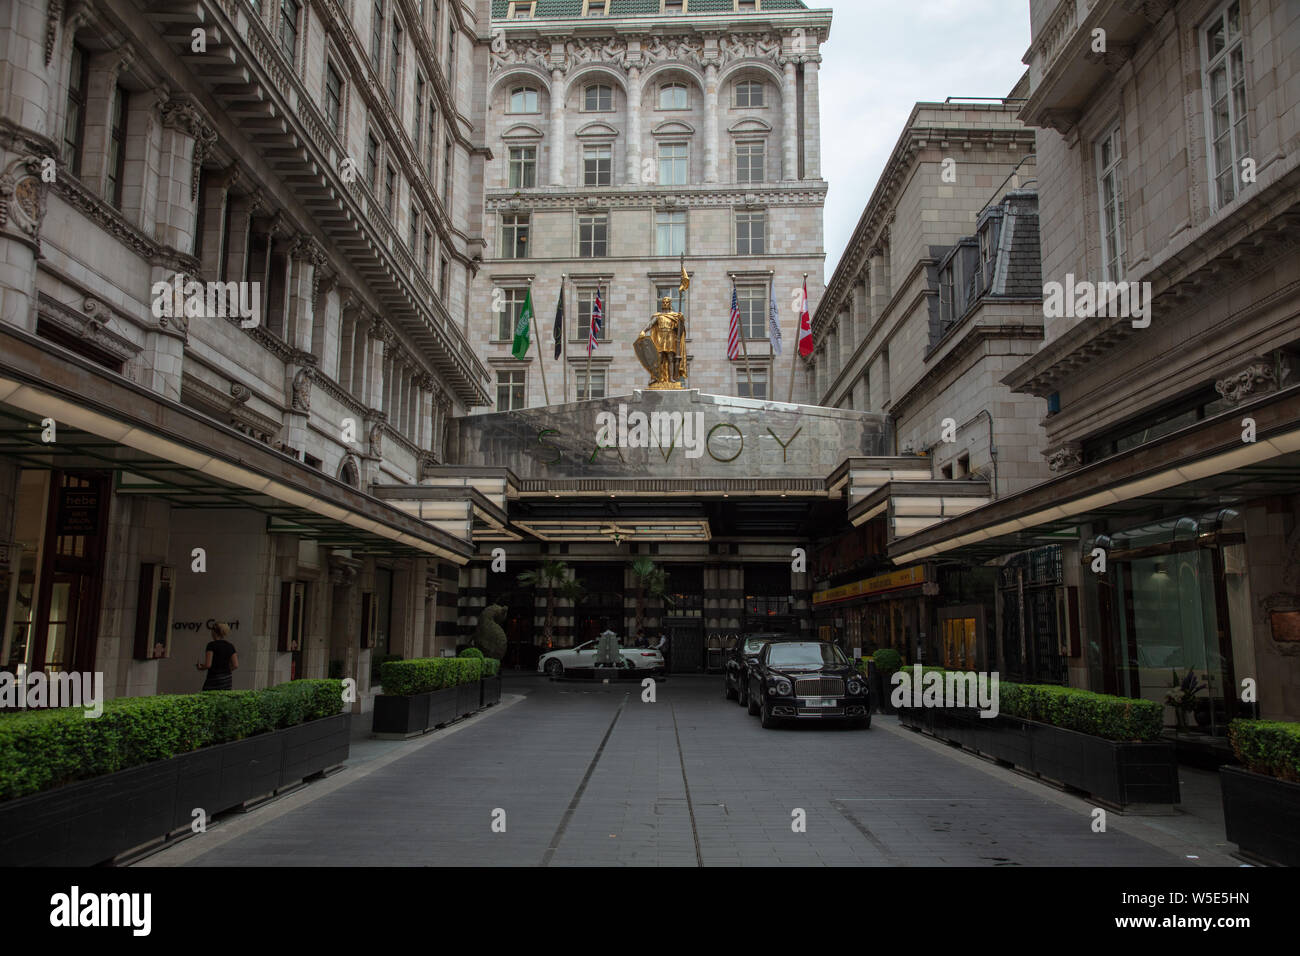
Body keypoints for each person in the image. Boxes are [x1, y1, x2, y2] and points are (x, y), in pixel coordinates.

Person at [197, 621, 238, 690]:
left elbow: (208, 665)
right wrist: (225, 670)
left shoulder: (211, 645)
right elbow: (235, 665)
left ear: (214, 632)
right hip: (227, 679)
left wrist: (200, 667)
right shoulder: (230, 646)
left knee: (207, 697)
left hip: (214, 677)